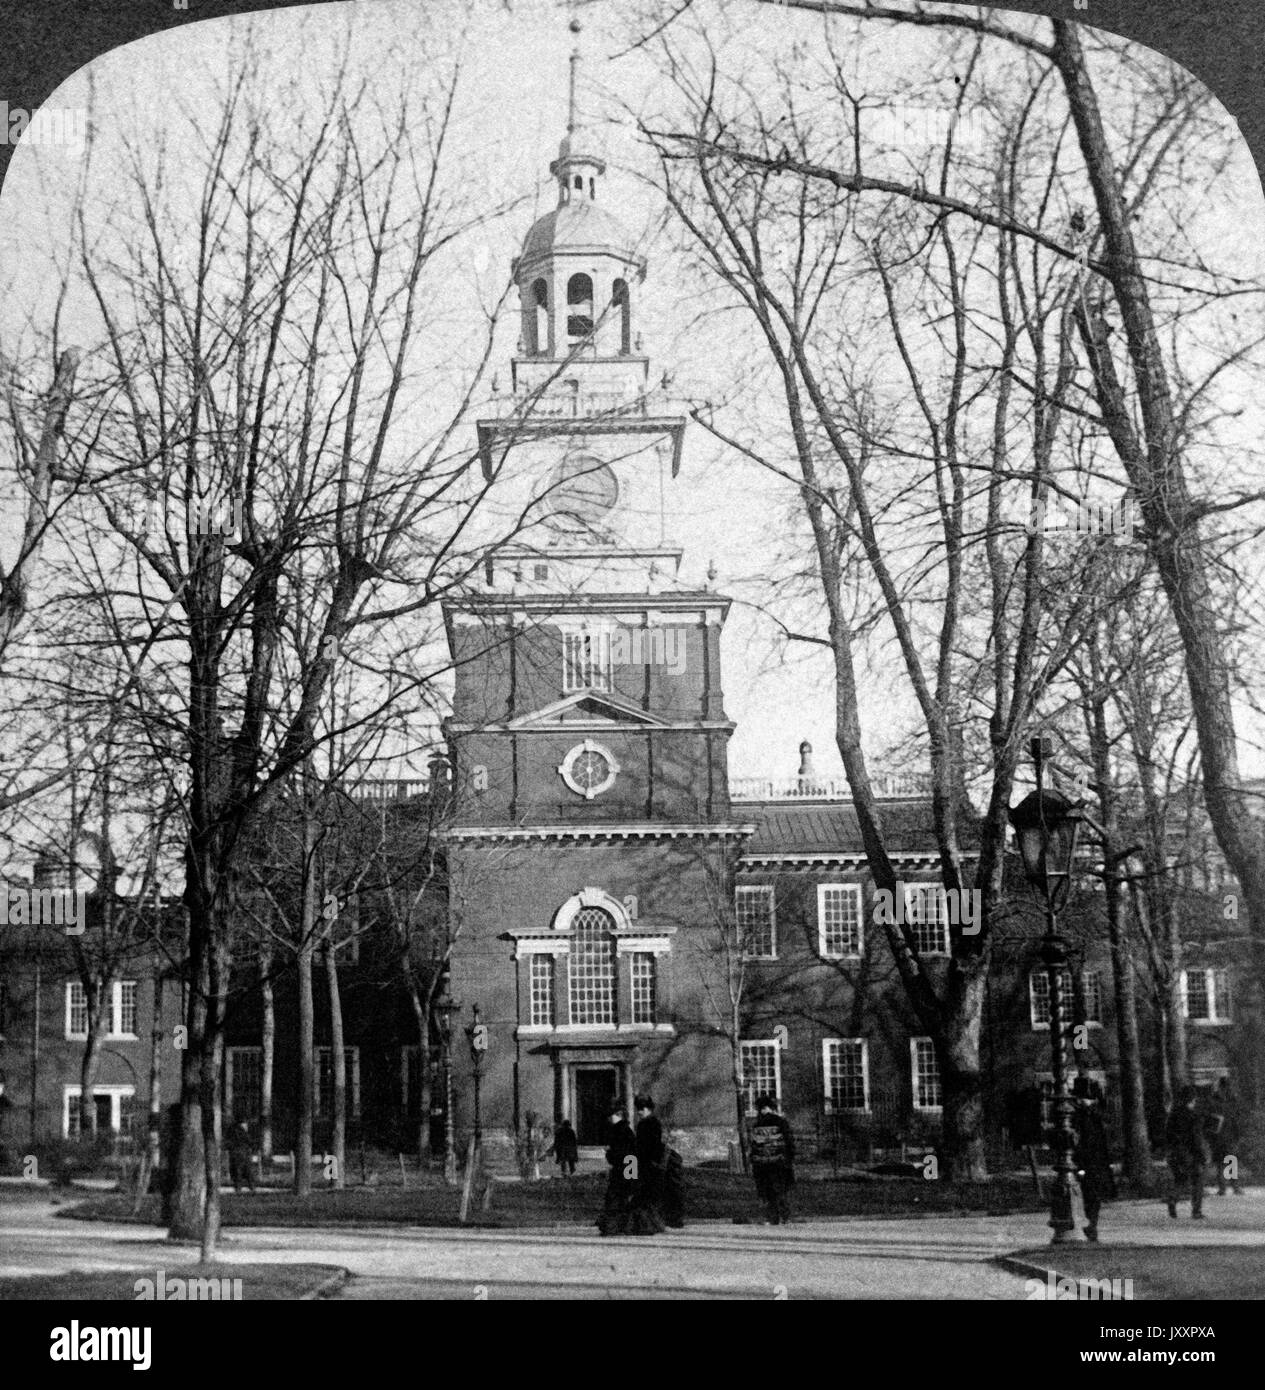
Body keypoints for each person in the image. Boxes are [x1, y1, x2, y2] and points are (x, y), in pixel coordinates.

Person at [1072, 1095, 1116, 1242]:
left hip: (1095, 1161)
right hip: (1092, 1161)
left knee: (1092, 1194)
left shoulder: (1094, 1116)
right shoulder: (1082, 1115)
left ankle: (1092, 1224)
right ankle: (1091, 1224)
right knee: (1090, 1194)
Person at [749, 1092, 795, 1225]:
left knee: (767, 1191)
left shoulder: (757, 1124)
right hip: (779, 1161)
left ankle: (772, 1217)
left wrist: (754, 1159)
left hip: (763, 1163)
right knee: (780, 1190)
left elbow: (754, 1145)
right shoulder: (781, 1122)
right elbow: (789, 1141)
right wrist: (789, 1158)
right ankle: (785, 1217)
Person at [1165, 1086, 1209, 1219]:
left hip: (1174, 1151)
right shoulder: (1194, 1116)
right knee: (1198, 1180)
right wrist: (1202, 1156)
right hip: (1190, 1153)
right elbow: (1196, 1139)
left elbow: (1167, 1133)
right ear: (1193, 1099)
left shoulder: (1173, 1114)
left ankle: (1173, 1198)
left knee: (1180, 1178)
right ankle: (1196, 1210)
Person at [597, 1101, 636, 1237]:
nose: (609, 1118)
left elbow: (623, 1153)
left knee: (615, 1198)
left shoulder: (620, 1130)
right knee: (622, 1198)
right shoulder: (626, 1130)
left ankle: (613, 1227)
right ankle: (624, 1226)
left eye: (611, 1115)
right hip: (627, 1168)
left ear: (619, 1115)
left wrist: (609, 1153)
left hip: (623, 1169)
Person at [630, 1095, 667, 1235]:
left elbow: (650, 1146)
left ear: (648, 1109)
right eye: (638, 1109)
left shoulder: (648, 1124)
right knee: (646, 1196)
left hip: (647, 1164)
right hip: (647, 1163)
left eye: (641, 1109)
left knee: (645, 1196)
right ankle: (651, 1225)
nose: (639, 1112)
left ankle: (647, 1226)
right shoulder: (650, 1123)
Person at [1205, 1078, 1244, 1196]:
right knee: (1230, 1161)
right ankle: (1233, 1186)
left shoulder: (1214, 1100)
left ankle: (1223, 1187)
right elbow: (1237, 1119)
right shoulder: (1232, 1099)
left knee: (1222, 1162)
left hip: (1220, 1135)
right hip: (1227, 1135)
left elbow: (1209, 1118)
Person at [225, 1119, 255, 1193]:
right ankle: (252, 1187)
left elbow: (228, 1143)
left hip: (235, 1153)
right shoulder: (243, 1132)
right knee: (248, 1171)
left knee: (237, 1171)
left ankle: (238, 1188)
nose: (246, 1126)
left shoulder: (232, 1131)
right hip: (243, 1153)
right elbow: (250, 1141)